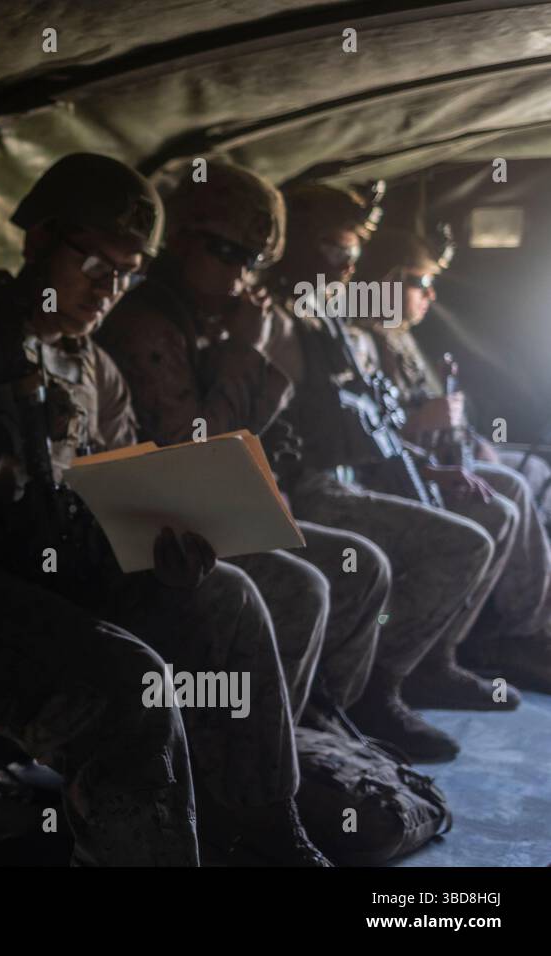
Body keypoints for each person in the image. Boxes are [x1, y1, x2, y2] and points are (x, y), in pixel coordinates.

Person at [0, 154, 327, 865]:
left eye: (128, 274)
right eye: (96, 264)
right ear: (38, 240)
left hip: (55, 575)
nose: (110, 290)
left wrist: (165, 545)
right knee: (128, 680)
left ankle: (265, 826)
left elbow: (127, 492)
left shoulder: (94, 369)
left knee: (230, 596)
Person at [95, 164, 393, 739]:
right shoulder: (148, 324)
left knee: (362, 568)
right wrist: (243, 356)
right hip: (161, 529)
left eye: (253, 261)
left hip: (210, 511)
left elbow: (257, 435)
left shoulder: (218, 318)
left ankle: (307, 722)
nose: (240, 274)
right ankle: (252, 761)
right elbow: (194, 454)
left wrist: (253, 349)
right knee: (306, 588)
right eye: (227, 252)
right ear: (180, 241)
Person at [258, 183, 513, 761]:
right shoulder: (267, 321)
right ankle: (372, 694)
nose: (347, 268)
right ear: (291, 246)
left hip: (348, 477)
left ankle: (406, 675)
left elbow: (369, 420)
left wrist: (429, 465)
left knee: (477, 518)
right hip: (304, 488)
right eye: (334, 251)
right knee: (458, 544)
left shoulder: (328, 321)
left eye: (352, 256)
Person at [351, 225, 551, 693]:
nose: (429, 294)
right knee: (512, 487)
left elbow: (440, 411)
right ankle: (511, 632)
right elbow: (367, 438)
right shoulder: (362, 341)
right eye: (420, 282)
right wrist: (421, 422)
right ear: (388, 281)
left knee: (537, 468)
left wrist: (472, 436)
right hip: (395, 473)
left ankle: (523, 620)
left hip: (439, 454)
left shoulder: (400, 339)